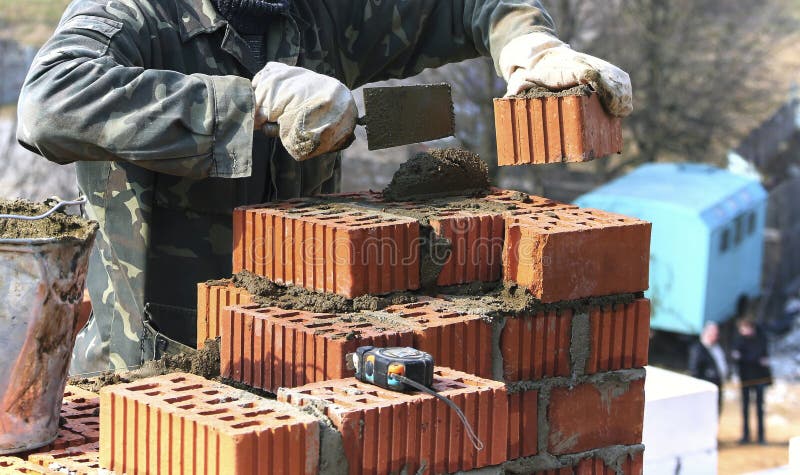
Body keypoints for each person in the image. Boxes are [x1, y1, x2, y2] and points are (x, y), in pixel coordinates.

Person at [16, 0, 633, 374]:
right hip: (152, 372)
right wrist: (247, 106)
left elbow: (461, 6)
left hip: (295, 355)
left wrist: (527, 41)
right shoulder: (131, 17)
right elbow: (47, 104)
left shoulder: (314, 16)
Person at [731, 318, 772, 445]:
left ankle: (761, 436)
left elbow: (760, 356)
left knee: (759, 408)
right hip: (745, 378)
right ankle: (746, 435)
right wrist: (753, 359)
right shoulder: (739, 340)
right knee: (745, 408)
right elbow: (737, 358)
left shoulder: (760, 339)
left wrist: (744, 357)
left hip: (759, 378)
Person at [688, 322, 727, 412]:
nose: (717, 336)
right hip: (705, 389)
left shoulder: (716, 347)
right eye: (715, 334)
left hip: (717, 386)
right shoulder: (698, 349)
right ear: (707, 333)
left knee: (716, 411)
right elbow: (694, 371)